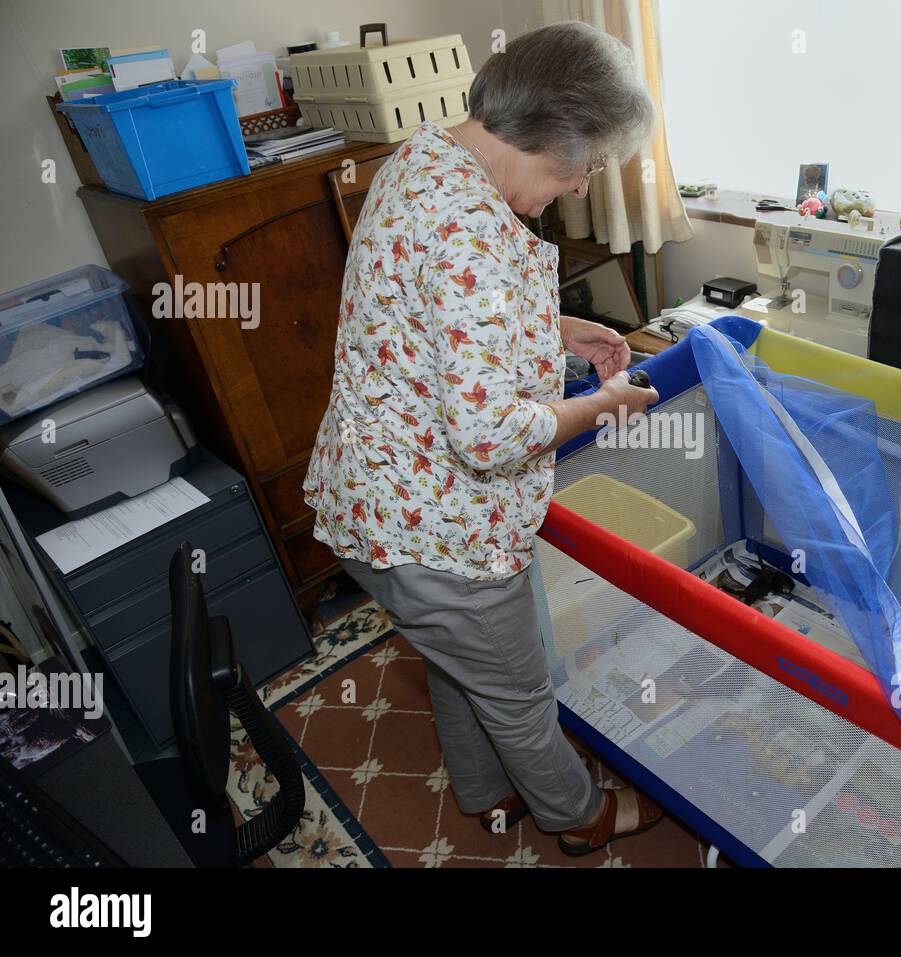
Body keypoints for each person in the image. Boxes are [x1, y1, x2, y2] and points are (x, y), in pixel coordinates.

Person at [304, 21, 666, 856]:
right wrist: (607, 405)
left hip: (371, 497)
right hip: (443, 529)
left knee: (457, 659)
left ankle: (481, 788)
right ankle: (575, 817)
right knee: (516, 690)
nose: (578, 187)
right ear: (550, 136)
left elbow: (443, 317)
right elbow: (496, 434)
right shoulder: (473, 227)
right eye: (581, 166)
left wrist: (557, 326)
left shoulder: (422, 157)